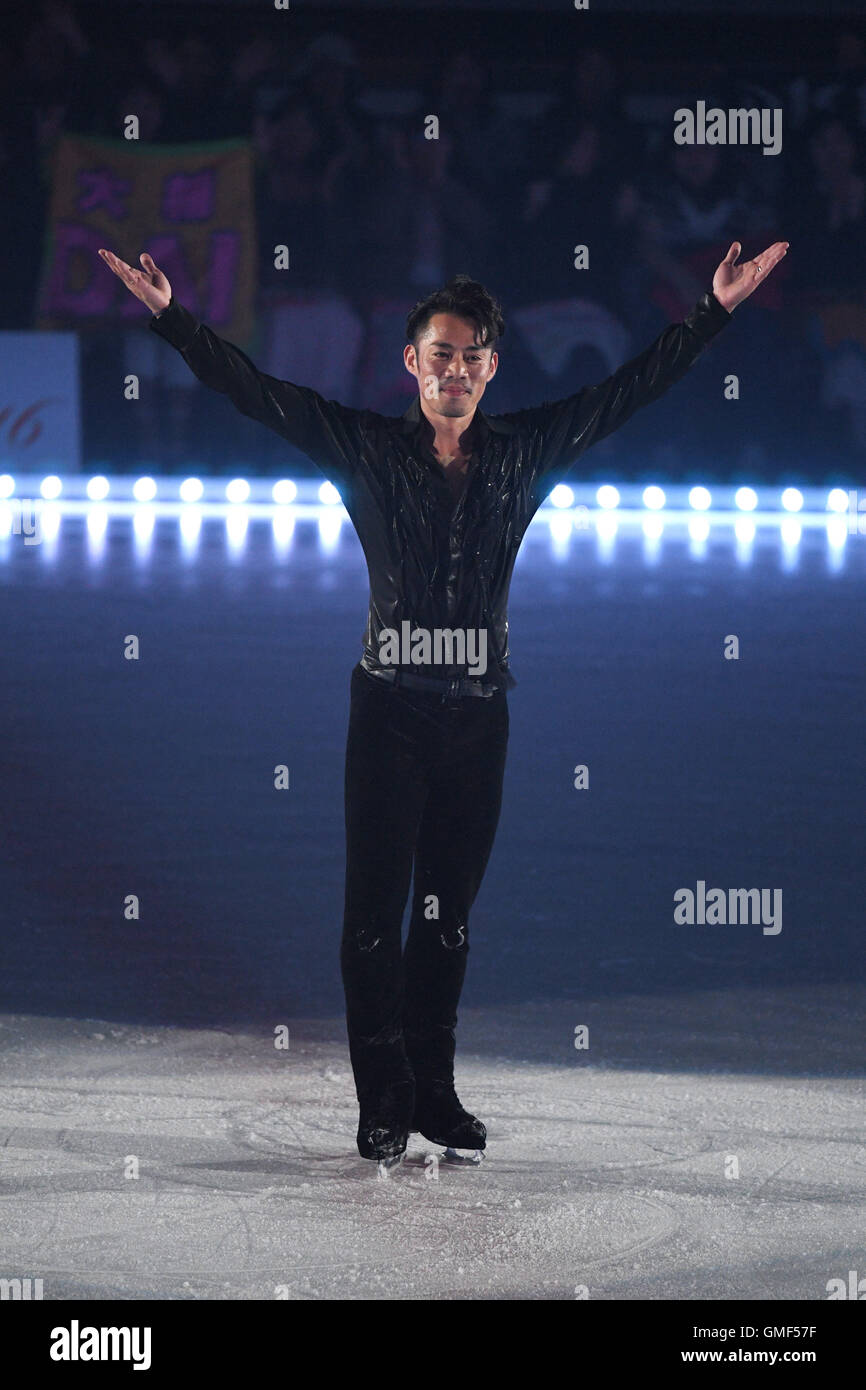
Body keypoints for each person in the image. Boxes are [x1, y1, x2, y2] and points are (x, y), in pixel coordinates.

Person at [97, 239, 788, 1163]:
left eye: (471, 357)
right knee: (374, 919)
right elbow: (256, 392)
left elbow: (629, 390)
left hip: (477, 719)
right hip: (387, 712)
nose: (454, 371)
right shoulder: (368, 448)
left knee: (448, 919)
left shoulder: (527, 448)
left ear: (491, 368)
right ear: (412, 364)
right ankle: (382, 1098)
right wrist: (172, 316)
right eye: (440, 354)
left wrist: (712, 310)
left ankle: (434, 1090)